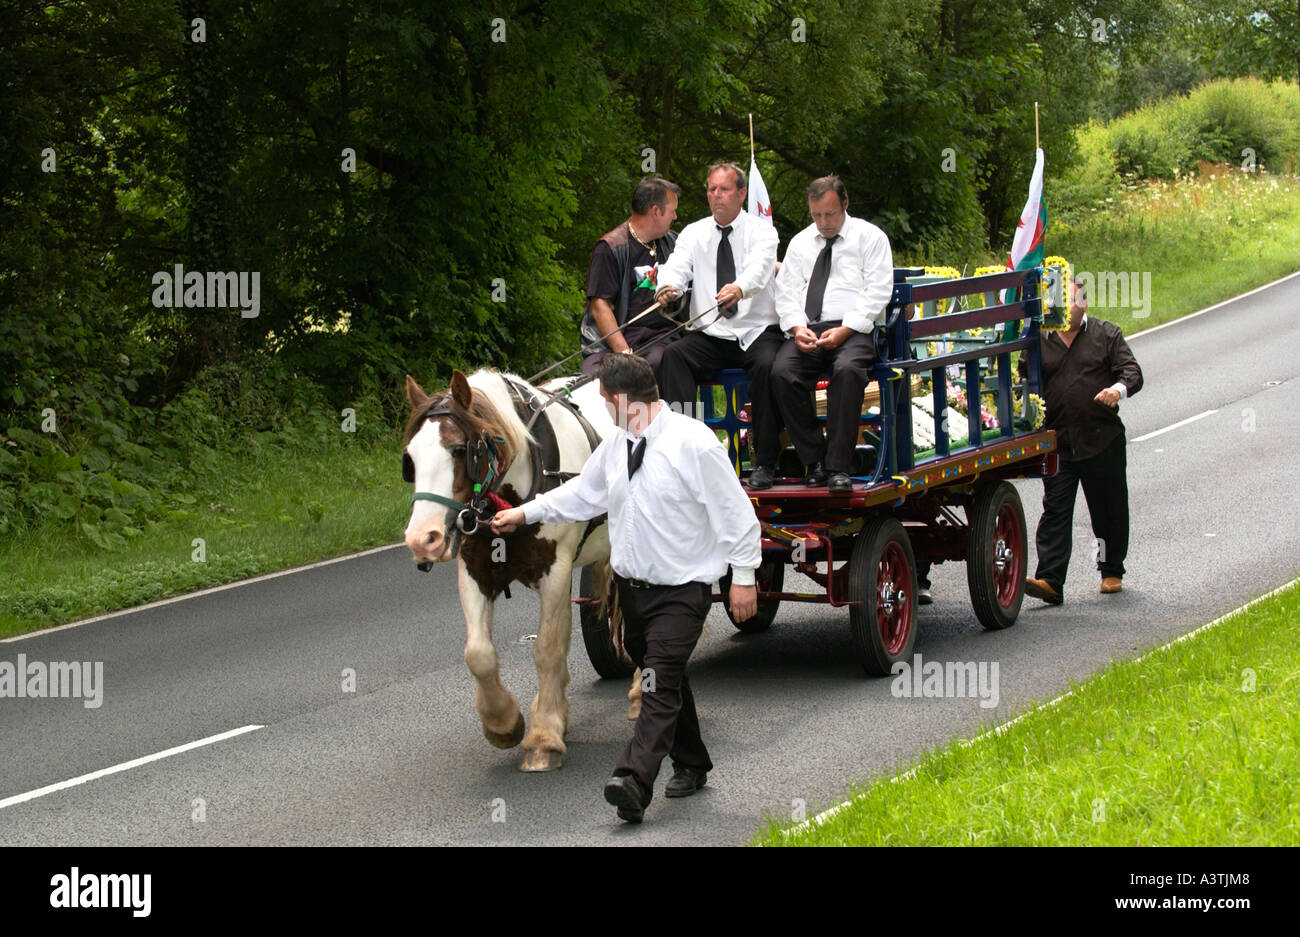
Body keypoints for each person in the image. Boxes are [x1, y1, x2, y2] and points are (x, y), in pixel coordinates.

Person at [489, 353, 761, 823]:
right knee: (665, 676)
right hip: (634, 592)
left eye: (602, 399)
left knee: (655, 684)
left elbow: (737, 515)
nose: (601, 407)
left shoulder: (694, 444)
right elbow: (581, 494)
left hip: (682, 590)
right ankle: (693, 762)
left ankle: (633, 781)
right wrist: (523, 513)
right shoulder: (617, 446)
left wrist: (744, 578)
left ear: (620, 400)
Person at [653, 161, 784, 489]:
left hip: (755, 331)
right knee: (674, 357)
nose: (716, 196)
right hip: (713, 333)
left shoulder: (762, 232)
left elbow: (760, 267)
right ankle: (681, 455)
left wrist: (740, 288)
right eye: (711, 189)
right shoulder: (694, 233)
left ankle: (766, 462)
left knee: (769, 366)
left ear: (741, 194)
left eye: (724, 189)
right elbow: (676, 266)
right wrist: (668, 288)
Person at [770, 175, 894, 493]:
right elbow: (786, 293)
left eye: (830, 214)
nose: (823, 223)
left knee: (848, 370)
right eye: (816, 215)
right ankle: (816, 461)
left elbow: (878, 290)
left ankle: (839, 467)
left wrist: (846, 329)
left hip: (855, 329)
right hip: (810, 329)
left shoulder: (870, 238)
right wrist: (798, 327)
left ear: (845, 205)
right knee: (782, 371)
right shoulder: (800, 243)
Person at [1023, 277, 1143, 604]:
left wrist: (1116, 391)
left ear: (1084, 303)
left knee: (1108, 509)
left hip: (1101, 440)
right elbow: (1023, 378)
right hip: (1059, 443)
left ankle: (1111, 570)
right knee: (1055, 512)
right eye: (1055, 301)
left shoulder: (1107, 334)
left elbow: (1132, 373)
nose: (1062, 307)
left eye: (1069, 300)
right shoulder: (1039, 340)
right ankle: (1050, 580)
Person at [579, 177, 684, 378]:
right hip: (612, 343)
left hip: (660, 338)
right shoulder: (610, 247)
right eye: (672, 211)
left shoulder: (676, 244)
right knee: (598, 380)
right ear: (655, 211)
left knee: (658, 363)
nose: (675, 217)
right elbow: (601, 308)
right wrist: (626, 355)